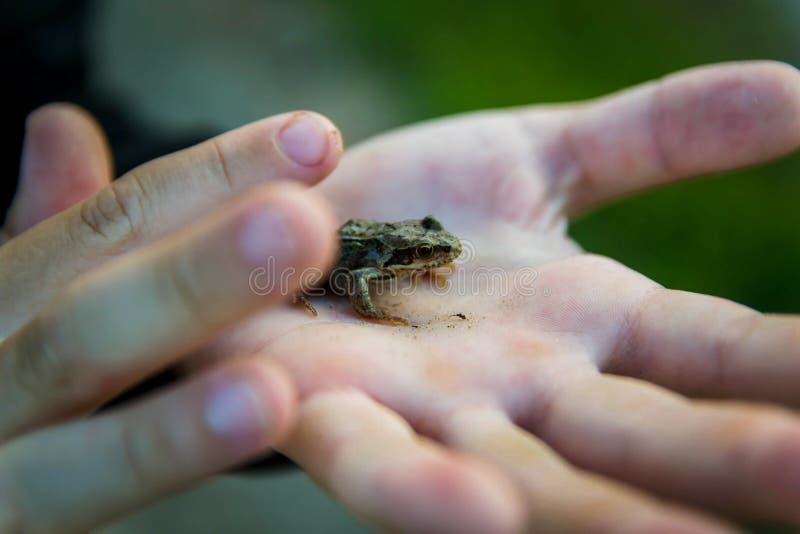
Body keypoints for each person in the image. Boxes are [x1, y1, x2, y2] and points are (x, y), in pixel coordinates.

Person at [1, 60, 799, 533]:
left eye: (435, 251)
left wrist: (176, 230)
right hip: (326, 259)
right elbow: (357, 280)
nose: (440, 259)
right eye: (429, 254)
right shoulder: (371, 263)